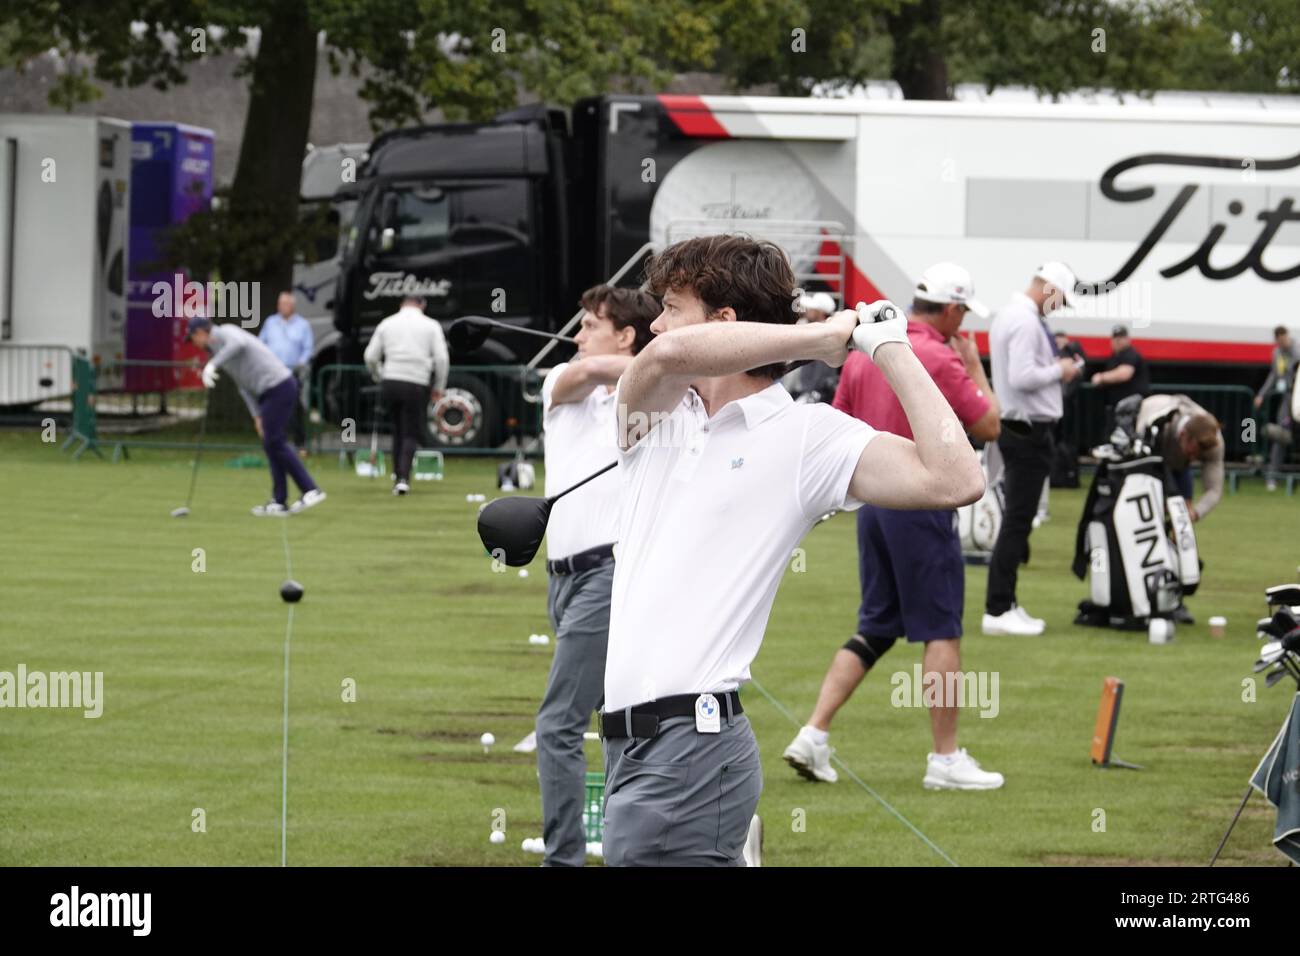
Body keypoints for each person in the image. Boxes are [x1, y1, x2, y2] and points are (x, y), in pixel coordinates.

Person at [600, 235, 985, 866]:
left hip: (691, 747)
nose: (655, 324)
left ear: (726, 320)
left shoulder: (807, 437)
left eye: (671, 304)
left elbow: (956, 480)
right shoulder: (656, 412)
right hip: (627, 744)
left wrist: (889, 344)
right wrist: (817, 338)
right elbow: (670, 353)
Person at [783, 262, 1004, 791]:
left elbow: (839, 417)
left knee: (877, 626)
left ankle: (813, 733)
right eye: (962, 313)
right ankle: (945, 760)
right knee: (942, 628)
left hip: (873, 506)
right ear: (950, 309)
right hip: (922, 505)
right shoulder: (940, 355)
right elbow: (991, 424)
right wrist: (974, 368)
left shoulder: (865, 355)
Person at [534, 286, 658, 867]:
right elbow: (579, 375)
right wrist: (634, 361)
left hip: (608, 575)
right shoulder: (562, 385)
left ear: (626, 334)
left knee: (558, 722)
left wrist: (647, 365)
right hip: (560, 580)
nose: (577, 337)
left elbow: (651, 376)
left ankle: (563, 858)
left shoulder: (644, 399)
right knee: (615, 721)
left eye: (589, 325)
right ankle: (624, 846)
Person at [983, 262, 1082, 636]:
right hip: (1027, 430)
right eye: (1061, 299)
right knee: (1017, 522)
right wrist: (1061, 369)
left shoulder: (1014, 316)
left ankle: (1005, 603)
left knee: (1018, 520)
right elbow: (1022, 378)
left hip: (1020, 427)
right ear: (1050, 288)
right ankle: (997, 608)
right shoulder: (1024, 321)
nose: (1059, 307)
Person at [186, 317, 325, 516]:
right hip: (267, 393)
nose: (194, 344)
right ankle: (279, 501)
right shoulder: (218, 351)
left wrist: (212, 365)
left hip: (280, 386)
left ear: (200, 332)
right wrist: (256, 415)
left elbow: (239, 343)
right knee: (271, 443)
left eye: (192, 338)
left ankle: (310, 489)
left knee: (275, 440)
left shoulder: (225, 332)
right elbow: (243, 385)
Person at [364, 296, 449, 495]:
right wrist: (439, 386)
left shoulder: (387, 323)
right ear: (423, 305)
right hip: (416, 381)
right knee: (410, 431)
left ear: (401, 304)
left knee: (398, 429)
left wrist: (379, 374)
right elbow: (442, 359)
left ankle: (398, 474)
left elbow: (370, 356)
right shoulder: (431, 325)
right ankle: (403, 478)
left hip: (391, 380)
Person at [1137, 393, 1225, 524]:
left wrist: (1194, 513)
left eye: (1199, 456)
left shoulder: (1214, 444)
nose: (1195, 458)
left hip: (1179, 464)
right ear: (1183, 435)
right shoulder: (1158, 428)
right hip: (1148, 436)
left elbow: (1214, 490)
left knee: (1182, 511)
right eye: (1193, 452)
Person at [258, 291, 314, 453]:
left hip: (292, 373)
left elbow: (308, 348)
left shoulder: (303, 325)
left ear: (292, 306)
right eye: (280, 304)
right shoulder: (270, 322)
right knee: (272, 408)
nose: (281, 307)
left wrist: (301, 363)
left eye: (285, 304)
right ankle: (275, 441)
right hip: (272, 372)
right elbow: (261, 343)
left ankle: (299, 443)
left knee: (294, 409)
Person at [1255, 326, 1299, 491]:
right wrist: (1261, 395)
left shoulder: (1298, 350)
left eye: (1284, 339)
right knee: (1281, 435)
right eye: (1279, 340)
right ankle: (1272, 476)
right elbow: (1273, 375)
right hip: (1287, 400)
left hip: (1298, 398)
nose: (1283, 342)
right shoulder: (1277, 353)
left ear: (1288, 336)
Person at [782, 291, 841, 403]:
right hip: (802, 392)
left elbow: (822, 371)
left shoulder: (825, 335)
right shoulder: (814, 330)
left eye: (812, 308)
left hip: (811, 396)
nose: (808, 310)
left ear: (821, 312)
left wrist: (809, 395)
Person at [1091, 324, 1150, 415]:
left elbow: (1124, 374)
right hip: (1117, 408)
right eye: (1116, 338)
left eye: (1121, 338)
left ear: (1128, 339)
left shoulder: (1131, 354)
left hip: (1130, 408)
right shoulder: (1114, 357)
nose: (1118, 341)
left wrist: (1101, 377)